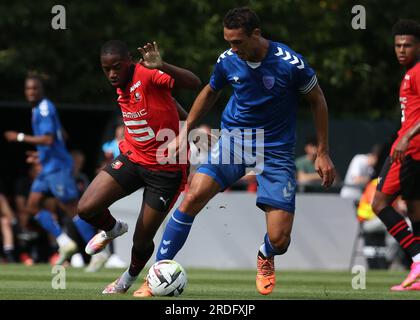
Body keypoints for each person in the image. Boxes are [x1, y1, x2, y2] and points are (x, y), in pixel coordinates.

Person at [151, 7, 335, 296]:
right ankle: (157, 275)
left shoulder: (290, 64)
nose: (232, 49)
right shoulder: (227, 61)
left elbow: (318, 100)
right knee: (194, 196)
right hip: (235, 140)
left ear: (256, 35)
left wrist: (322, 152)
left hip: (275, 151)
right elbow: (211, 92)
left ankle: (265, 254)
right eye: (228, 42)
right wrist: (187, 130)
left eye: (237, 42)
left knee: (280, 238)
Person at [77, 40, 201, 296]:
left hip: (166, 169)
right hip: (133, 158)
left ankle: (127, 278)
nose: (112, 74)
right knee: (86, 208)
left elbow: (194, 83)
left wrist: (163, 65)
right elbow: (167, 101)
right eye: (106, 69)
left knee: (142, 241)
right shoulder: (120, 84)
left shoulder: (146, 73)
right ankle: (112, 228)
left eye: (117, 67)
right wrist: (186, 119)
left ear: (129, 63)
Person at [4, 74, 97, 265]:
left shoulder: (44, 108)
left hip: (57, 167)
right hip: (48, 166)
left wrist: (19, 137)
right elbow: (62, 134)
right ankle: (64, 242)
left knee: (72, 209)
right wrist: (41, 156)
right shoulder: (40, 108)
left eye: (35, 89)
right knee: (32, 205)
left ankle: (98, 251)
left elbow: (48, 139)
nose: (31, 92)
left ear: (41, 90)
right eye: (28, 89)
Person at [371, 19, 420, 291]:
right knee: (415, 212)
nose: (402, 50)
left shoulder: (418, 72)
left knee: (379, 203)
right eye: (398, 45)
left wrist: (406, 136)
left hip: (409, 152)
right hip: (414, 151)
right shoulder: (409, 72)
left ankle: (418, 259)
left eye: (408, 45)